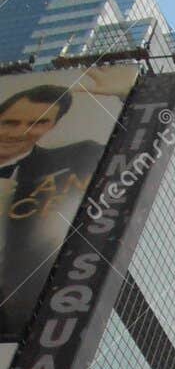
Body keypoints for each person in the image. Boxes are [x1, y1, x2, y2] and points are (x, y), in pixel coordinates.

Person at [0, 80, 105, 340]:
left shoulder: (73, 159)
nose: (20, 132)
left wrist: (131, 92)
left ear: (53, 126)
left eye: (38, 124)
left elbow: (136, 151)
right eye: (10, 122)